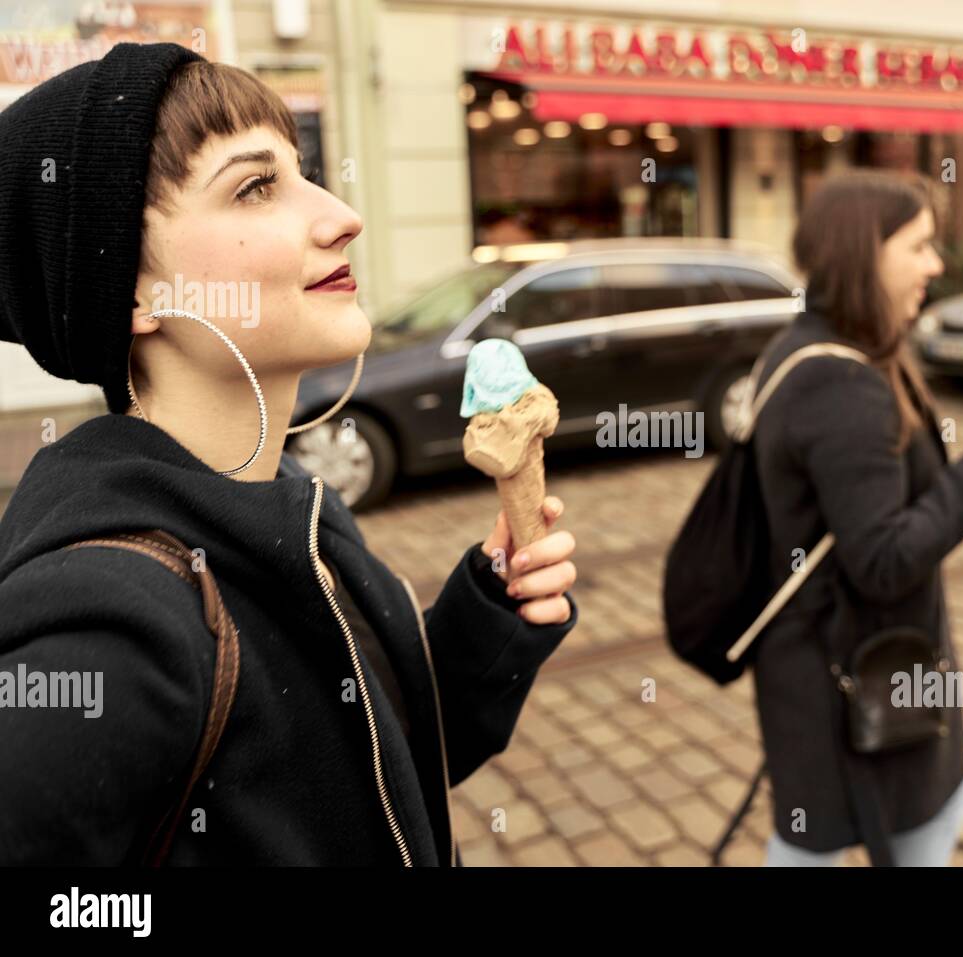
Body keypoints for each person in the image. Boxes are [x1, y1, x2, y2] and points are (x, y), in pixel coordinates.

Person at [0, 43, 578, 865]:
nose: (342, 214)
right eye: (255, 186)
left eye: (299, 171)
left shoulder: (299, 506)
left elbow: (361, 766)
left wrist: (485, 615)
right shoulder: (117, 620)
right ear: (132, 290)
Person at [750, 170, 963, 866]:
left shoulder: (817, 344)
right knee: (866, 832)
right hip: (857, 678)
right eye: (919, 246)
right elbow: (882, 559)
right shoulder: (844, 381)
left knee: (832, 832)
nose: (936, 264)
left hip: (838, 670)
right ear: (866, 252)